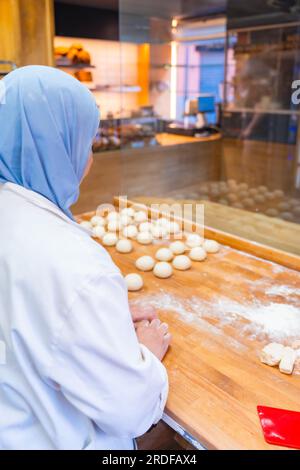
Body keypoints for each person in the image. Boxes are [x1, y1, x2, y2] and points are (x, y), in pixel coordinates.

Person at [0, 66, 171, 450]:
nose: (89, 159)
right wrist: (146, 352)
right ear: (58, 147)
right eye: (87, 143)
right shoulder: (72, 262)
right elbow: (131, 409)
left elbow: (23, 317)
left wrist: (94, 319)